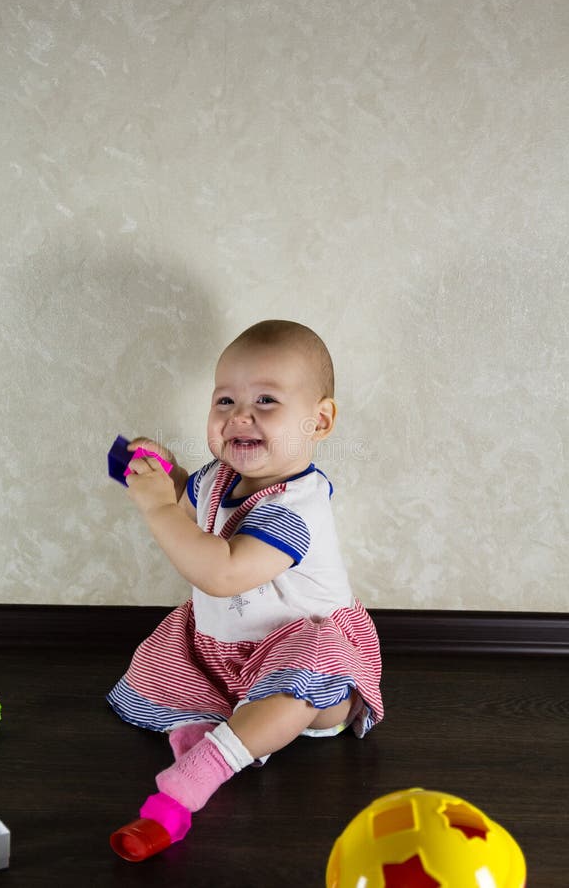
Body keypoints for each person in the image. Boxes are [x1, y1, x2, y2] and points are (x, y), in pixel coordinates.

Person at [107, 319, 383, 859]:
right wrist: (170, 477)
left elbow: (222, 572)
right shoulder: (220, 474)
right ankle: (210, 722)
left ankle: (211, 761)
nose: (240, 415)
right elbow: (197, 503)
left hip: (302, 653)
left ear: (319, 420)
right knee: (165, 663)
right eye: (225, 400)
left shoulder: (296, 508)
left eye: (266, 400)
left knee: (310, 681)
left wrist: (158, 509)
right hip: (221, 651)